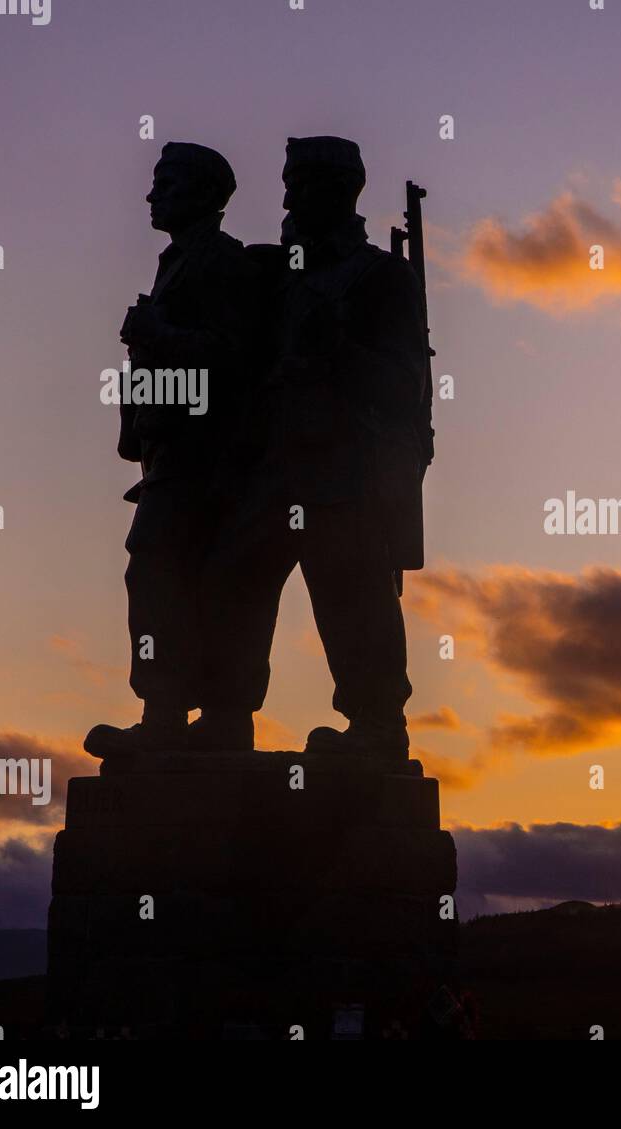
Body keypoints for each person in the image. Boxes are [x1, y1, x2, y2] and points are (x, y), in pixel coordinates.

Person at [189, 136, 428, 759]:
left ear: (338, 189)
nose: (288, 195)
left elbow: (405, 387)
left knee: (350, 591)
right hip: (269, 463)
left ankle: (377, 728)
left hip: (342, 467)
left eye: (300, 182)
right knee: (232, 581)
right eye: (288, 181)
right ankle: (224, 715)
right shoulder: (275, 271)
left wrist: (337, 350)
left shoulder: (382, 277)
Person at [85, 143, 254, 758]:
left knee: (162, 569)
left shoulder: (221, 263)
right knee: (174, 575)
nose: (152, 195)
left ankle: (172, 716)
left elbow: (233, 356)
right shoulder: (178, 263)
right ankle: (191, 717)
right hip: (173, 452)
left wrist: (160, 335)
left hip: (206, 457)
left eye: (167, 183)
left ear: (207, 196)